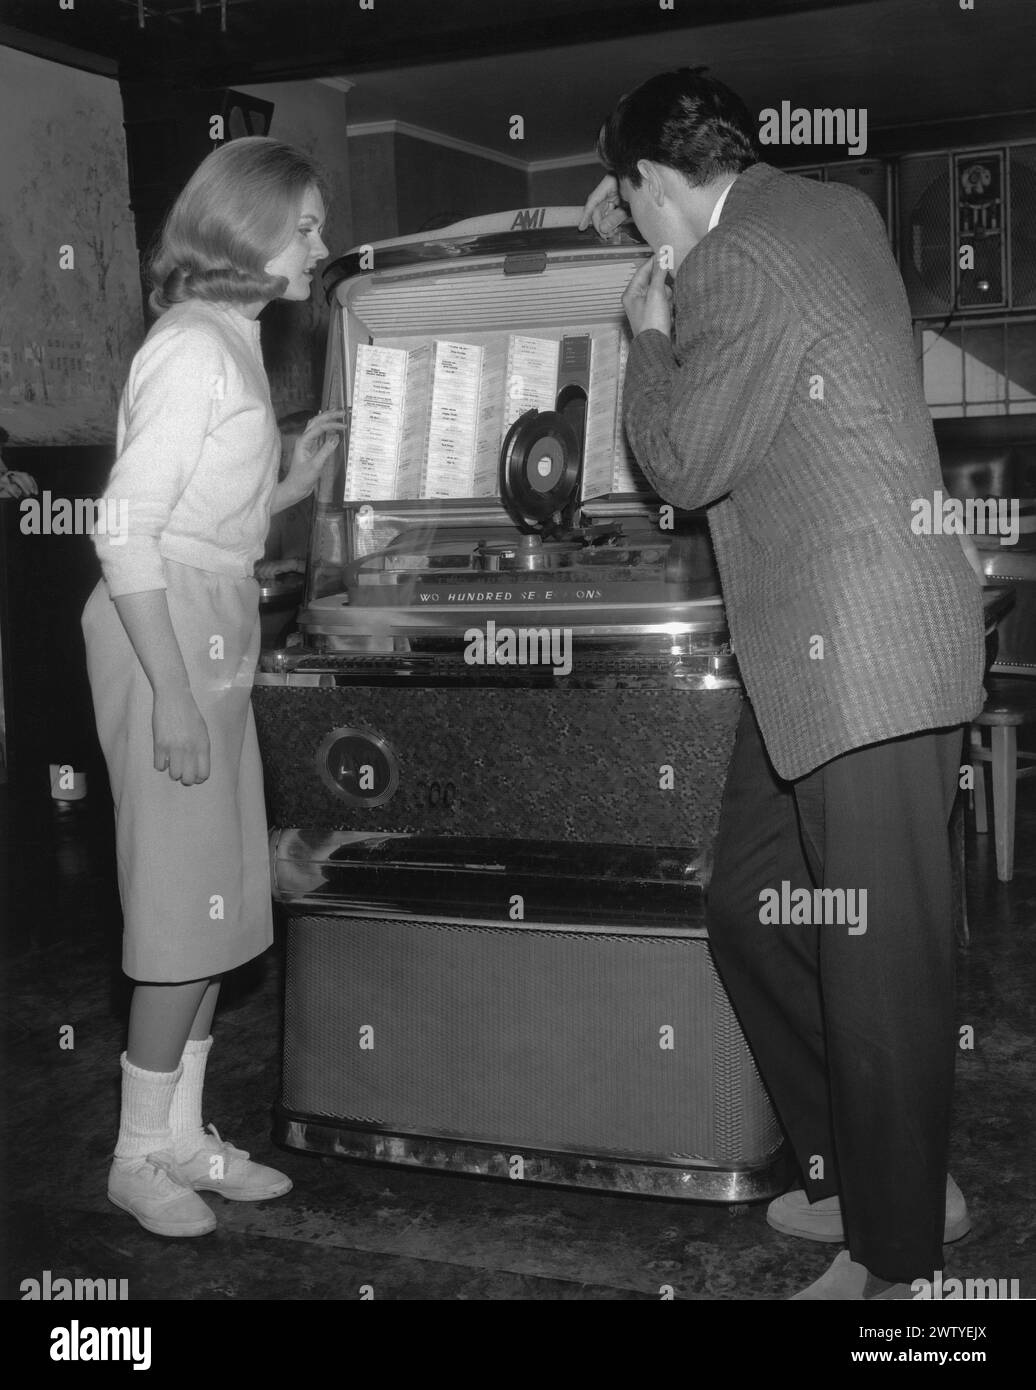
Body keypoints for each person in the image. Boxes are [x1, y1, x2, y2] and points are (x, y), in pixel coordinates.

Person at [580, 69, 986, 1300]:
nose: (635, 220)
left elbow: (684, 460)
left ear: (657, 181)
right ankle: (865, 1172)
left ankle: (896, 1258)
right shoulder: (831, 211)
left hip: (861, 654)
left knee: (878, 965)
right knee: (751, 905)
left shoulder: (732, 264)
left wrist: (643, 332)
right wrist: (655, 249)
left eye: (629, 197)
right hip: (826, 651)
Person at [81, 137, 344, 1237]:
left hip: (209, 617)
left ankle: (184, 1137)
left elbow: (204, 514)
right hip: (166, 634)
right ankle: (137, 1156)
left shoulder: (228, 340)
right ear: (249, 233)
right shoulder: (193, 348)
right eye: (308, 226)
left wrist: (285, 480)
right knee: (180, 921)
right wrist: (176, 694)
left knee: (223, 907)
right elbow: (124, 530)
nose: (322, 246)